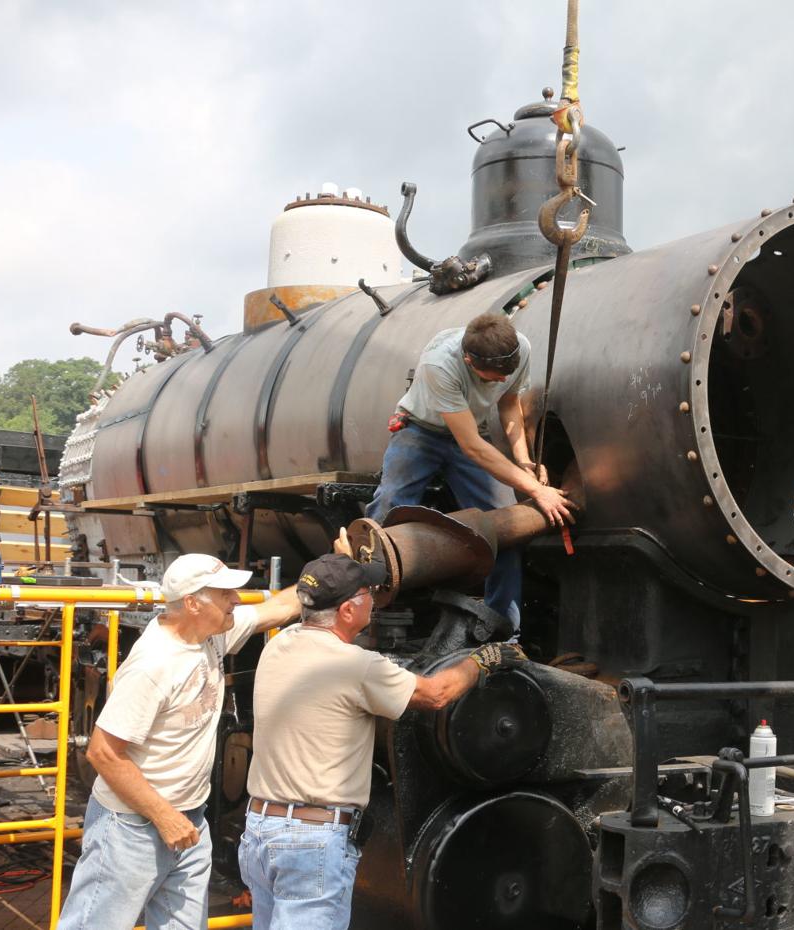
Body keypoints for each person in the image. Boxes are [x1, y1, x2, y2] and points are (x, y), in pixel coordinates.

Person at [238, 552, 524, 929]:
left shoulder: (279, 645)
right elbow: (436, 694)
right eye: (368, 592)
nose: (374, 598)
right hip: (310, 841)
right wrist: (483, 660)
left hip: (261, 829)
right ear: (346, 611)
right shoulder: (355, 665)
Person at [57, 553, 305, 930]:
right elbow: (103, 752)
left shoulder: (212, 635)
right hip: (133, 828)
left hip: (188, 821)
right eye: (226, 595)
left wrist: (334, 566)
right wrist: (164, 816)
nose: (237, 601)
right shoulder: (154, 664)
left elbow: (278, 608)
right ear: (192, 603)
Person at [366, 311, 576, 632]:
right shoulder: (440, 365)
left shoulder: (519, 348)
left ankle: (502, 627)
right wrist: (537, 491)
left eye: (507, 373)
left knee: (506, 523)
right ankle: (367, 606)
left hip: (472, 432)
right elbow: (472, 447)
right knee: (389, 503)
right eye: (493, 375)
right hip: (421, 431)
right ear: (468, 360)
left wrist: (523, 461)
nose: (502, 379)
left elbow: (509, 405)